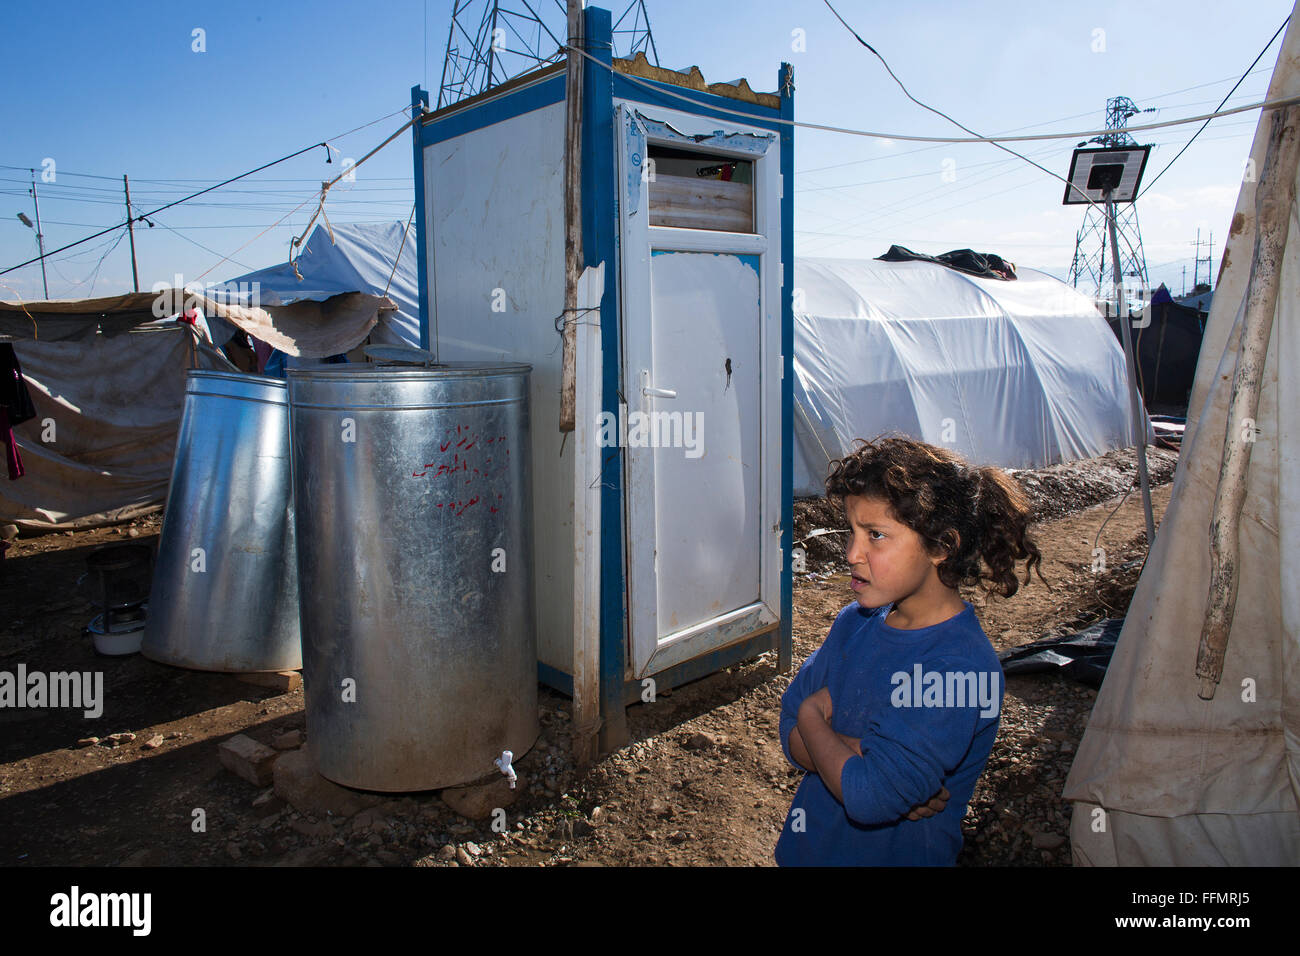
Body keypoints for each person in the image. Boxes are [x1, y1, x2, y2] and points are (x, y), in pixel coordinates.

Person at [774, 436, 1043, 866]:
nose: (851, 554)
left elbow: (867, 796)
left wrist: (814, 720)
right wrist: (865, 763)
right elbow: (789, 734)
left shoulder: (960, 668)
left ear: (941, 547)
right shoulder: (853, 623)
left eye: (876, 536)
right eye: (852, 532)